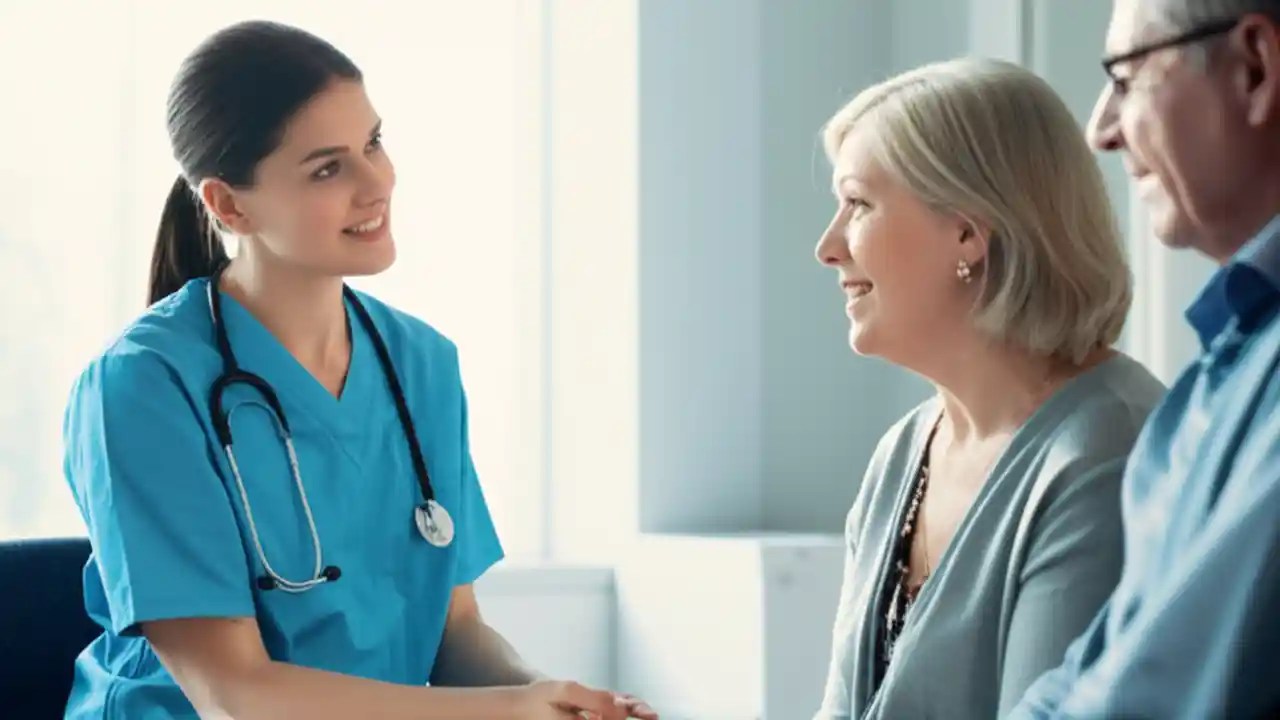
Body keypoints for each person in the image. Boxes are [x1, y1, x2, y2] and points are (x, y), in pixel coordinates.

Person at [60, 20, 656, 720]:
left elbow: (452, 634)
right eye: (327, 167)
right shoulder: (142, 385)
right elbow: (235, 695)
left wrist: (551, 699)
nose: (378, 182)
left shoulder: (421, 364)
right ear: (228, 203)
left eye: (373, 142)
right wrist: (507, 713)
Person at [811, 58, 1166, 720]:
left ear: (968, 233)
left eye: (857, 203)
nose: (827, 247)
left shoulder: (1106, 453)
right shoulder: (902, 453)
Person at [1009, 1, 1280, 717]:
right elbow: (1089, 674)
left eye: (1126, 80)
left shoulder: (1116, 426)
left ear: (1256, 68)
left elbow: (1156, 698)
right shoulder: (1217, 373)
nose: (1100, 130)